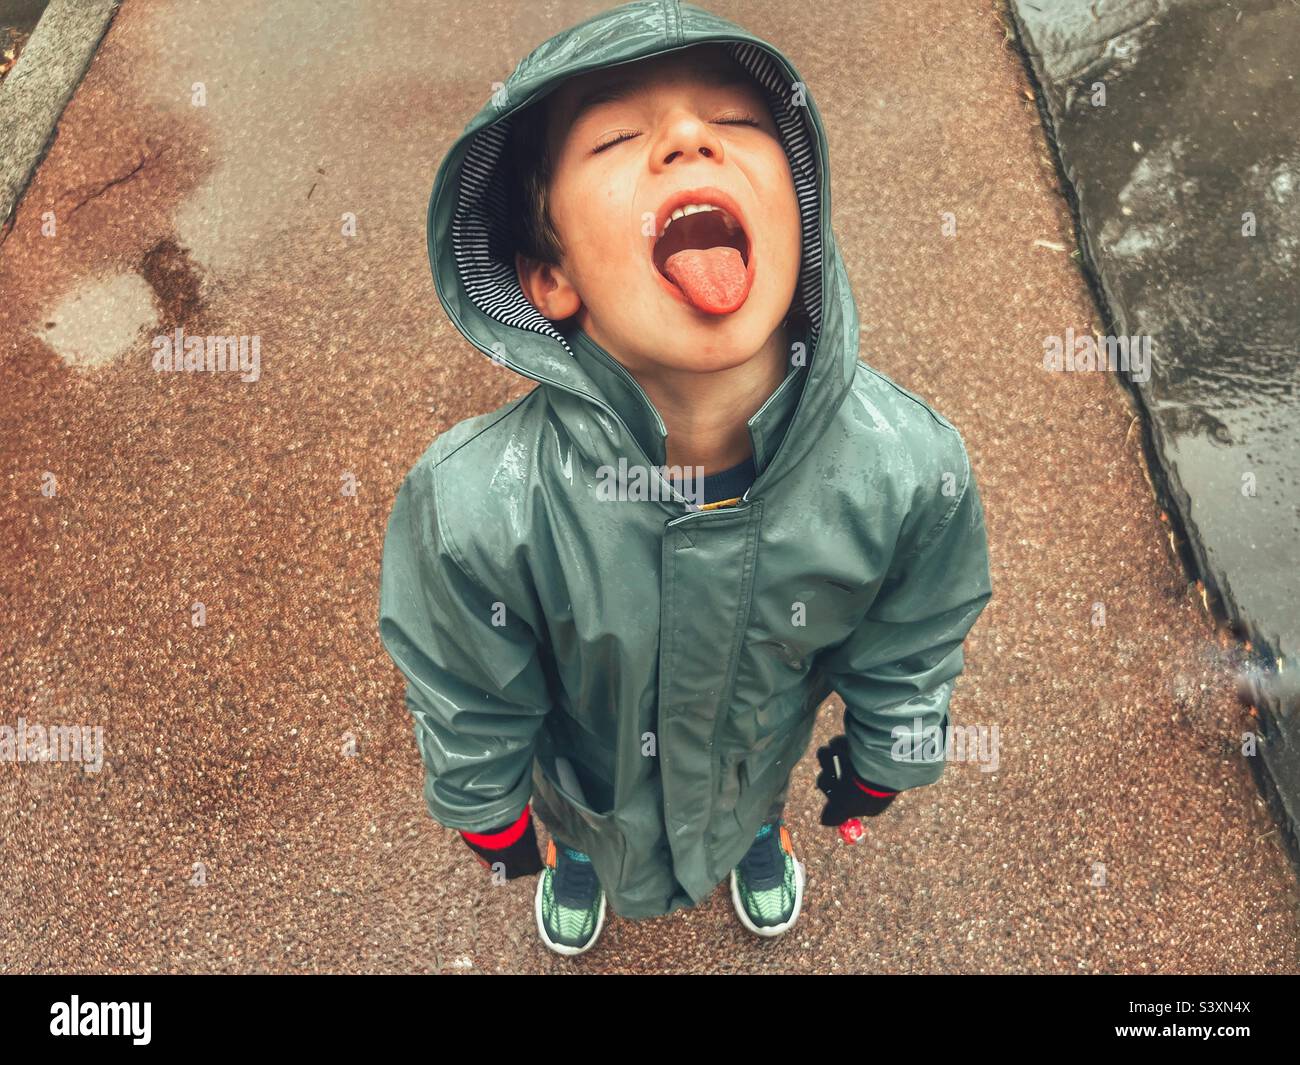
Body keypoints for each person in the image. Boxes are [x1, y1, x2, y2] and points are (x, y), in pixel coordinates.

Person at [378, 0, 993, 958]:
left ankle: (754, 837)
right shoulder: (479, 510)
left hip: (757, 753)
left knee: (745, 791)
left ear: (804, 221)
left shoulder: (905, 468)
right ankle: (577, 858)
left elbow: (914, 639)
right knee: (580, 821)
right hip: (585, 779)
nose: (690, 137)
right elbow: (469, 689)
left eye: (741, 123)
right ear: (549, 276)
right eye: (619, 134)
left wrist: (884, 759)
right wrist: (489, 814)